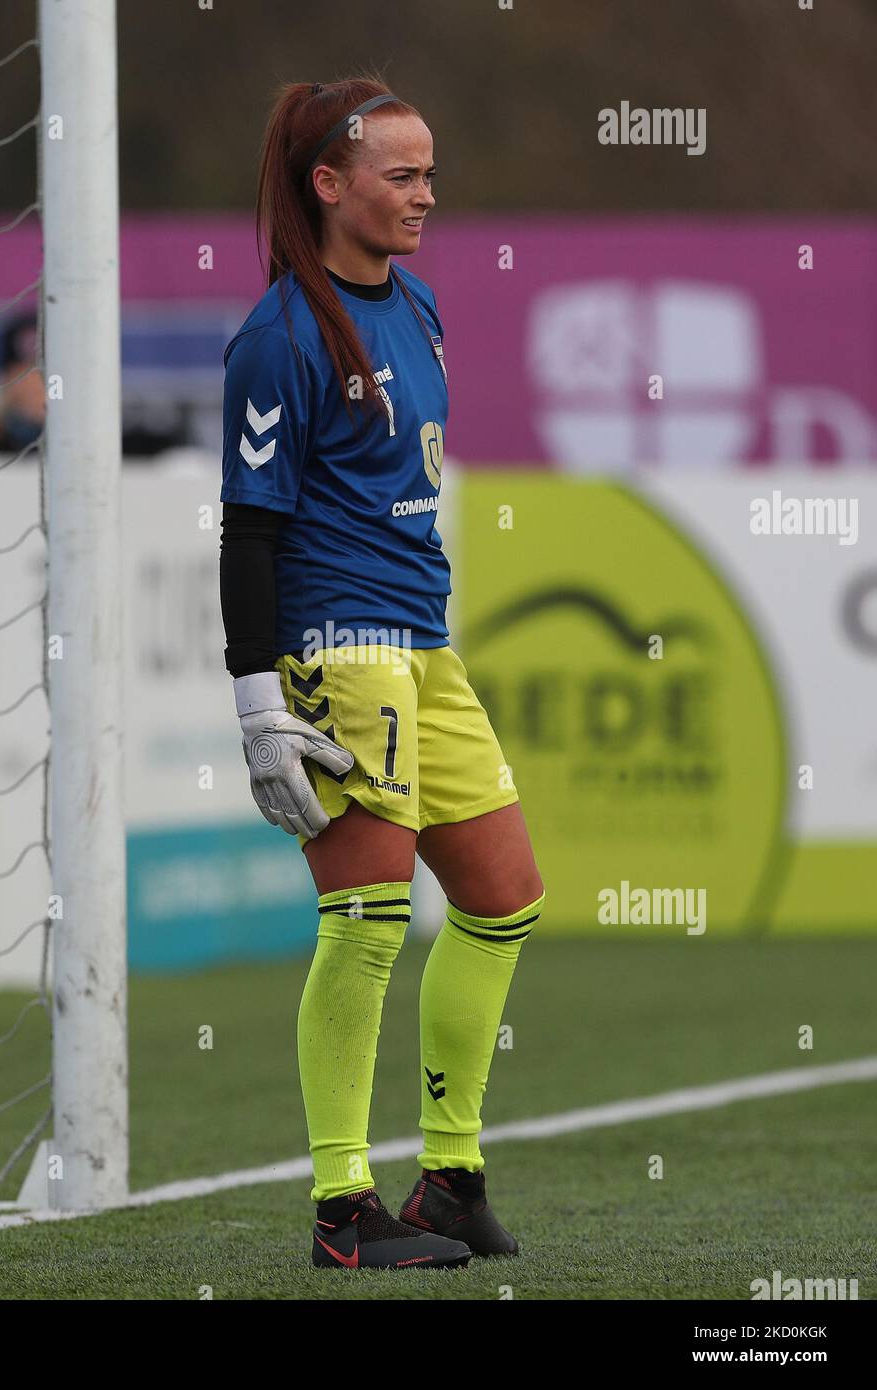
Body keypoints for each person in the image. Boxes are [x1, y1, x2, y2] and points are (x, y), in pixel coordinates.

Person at [219, 74, 545, 1272]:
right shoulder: (278, 337)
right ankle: (340, 1206)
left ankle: (449, 1177)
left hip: (421, 638)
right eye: (399, 175)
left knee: (504, 894)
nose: (423, 194)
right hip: (334, 642)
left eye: (427, 173)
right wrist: (258, 696)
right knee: (362, 920)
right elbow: (245, 530)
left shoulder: (417, 306)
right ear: (328, 185)